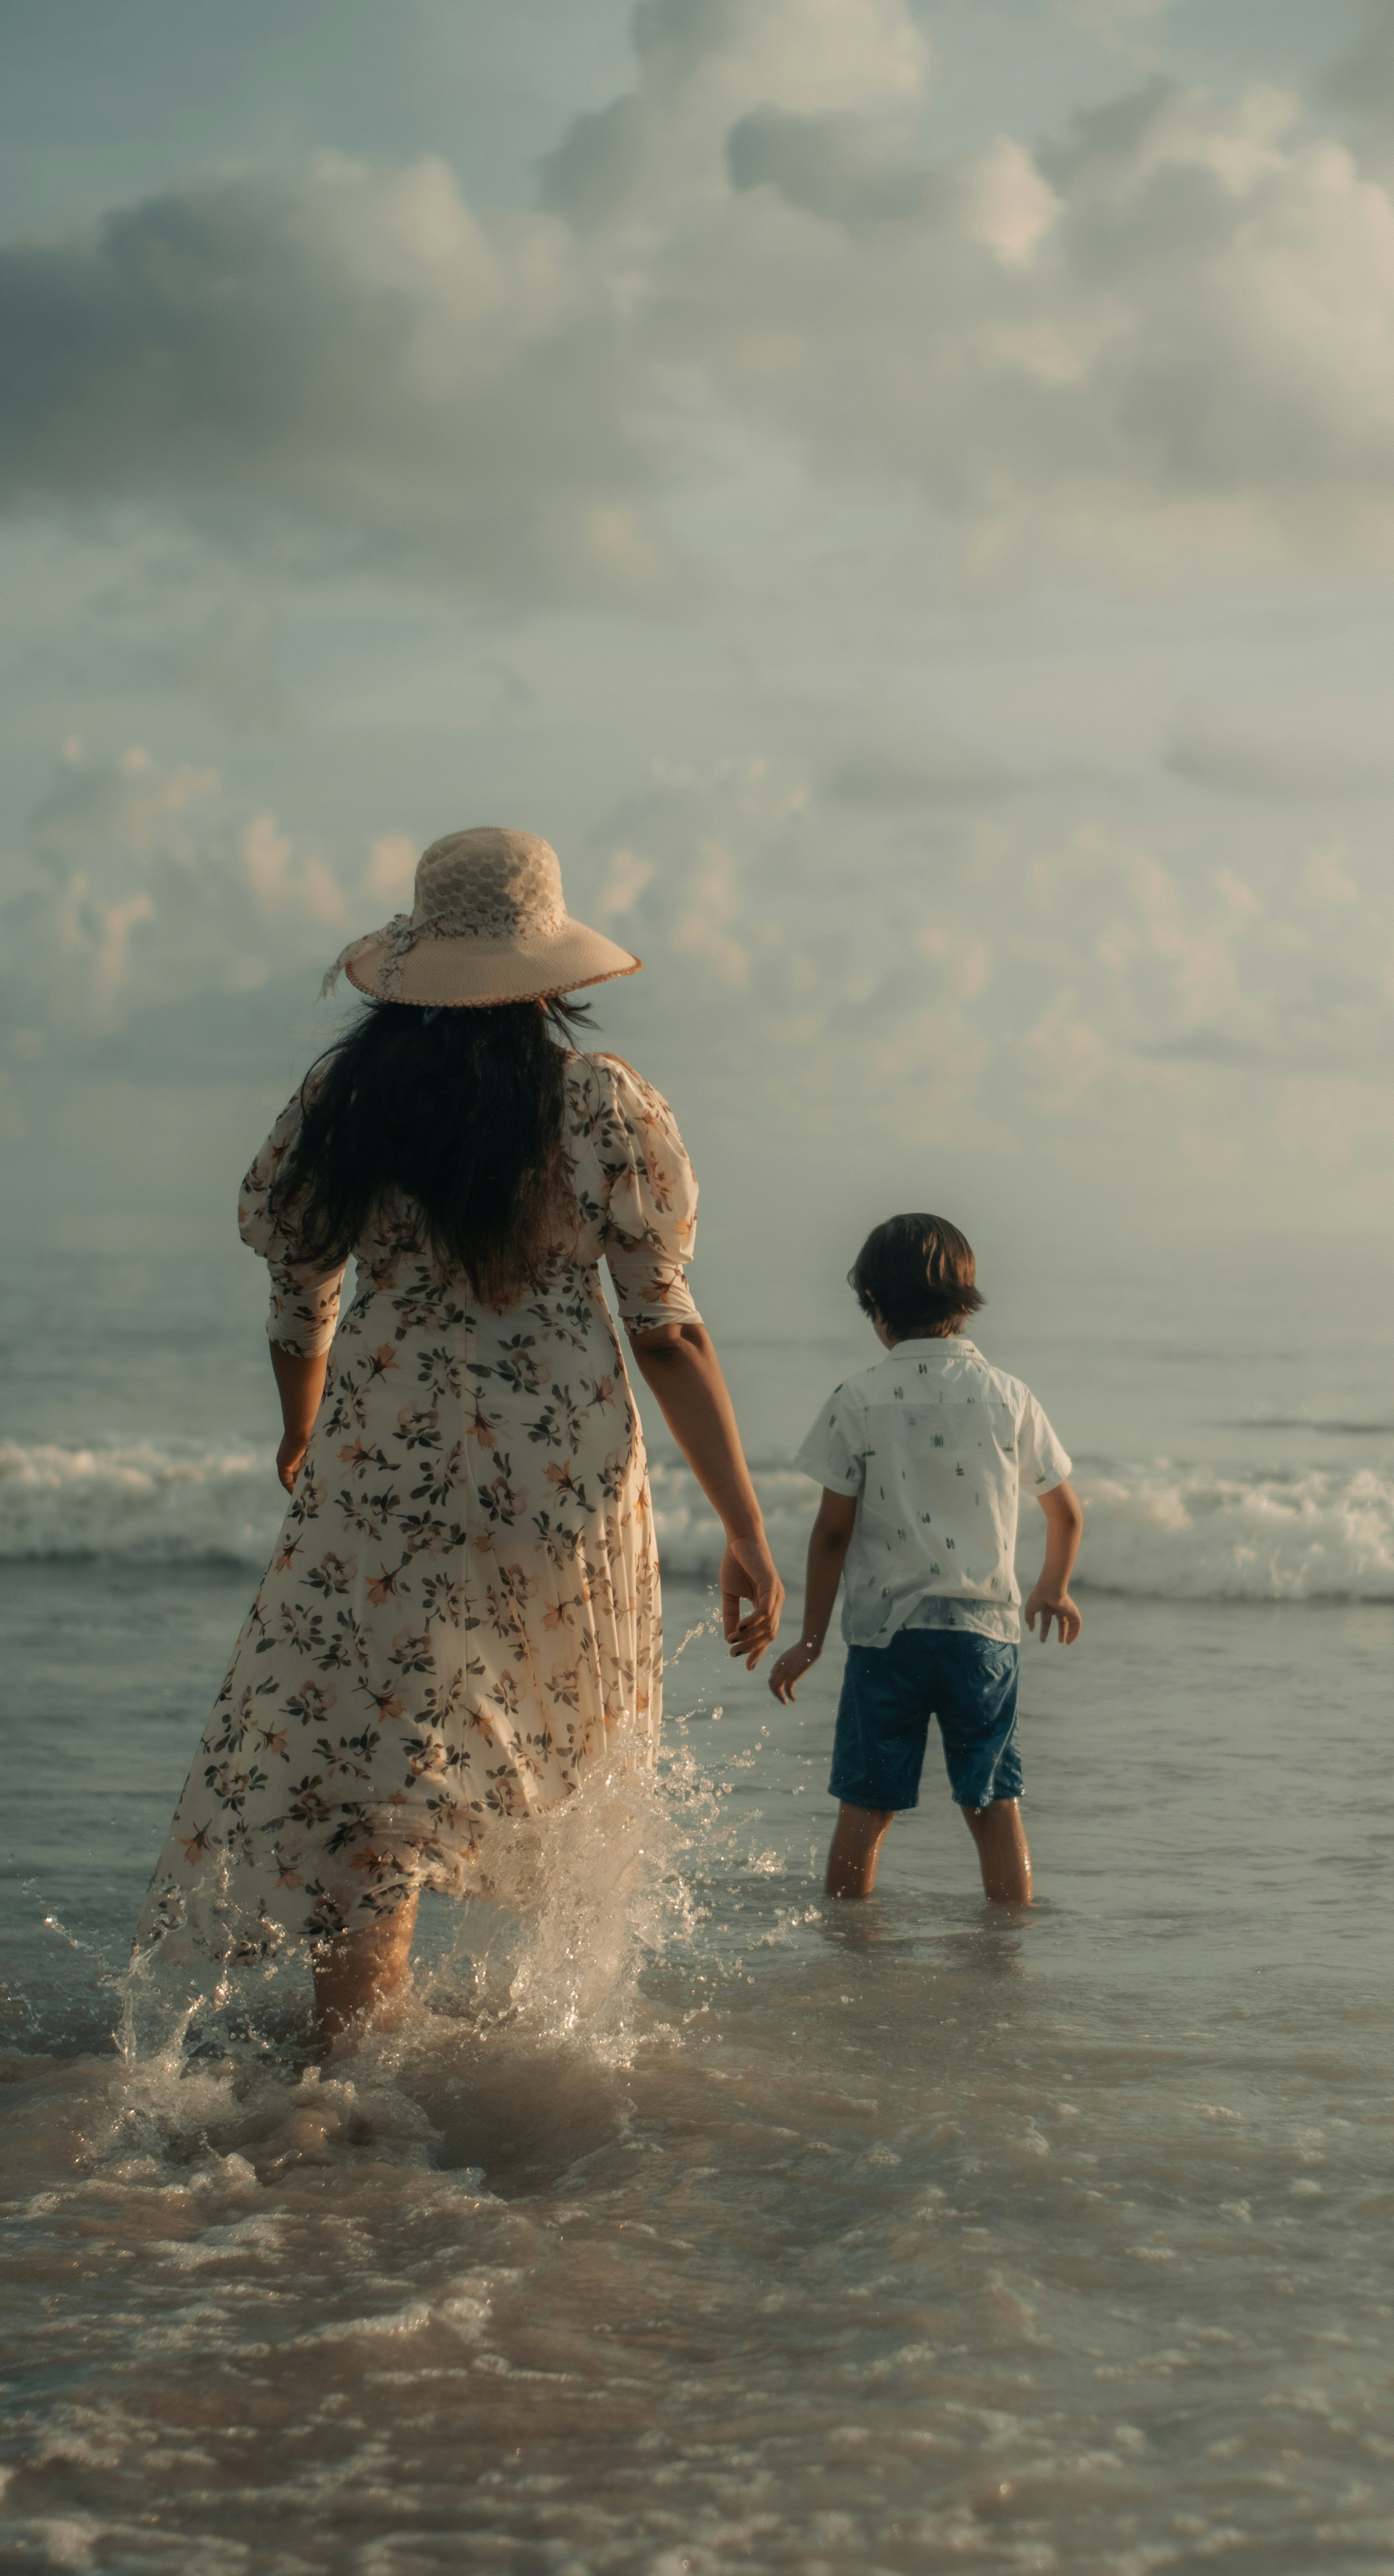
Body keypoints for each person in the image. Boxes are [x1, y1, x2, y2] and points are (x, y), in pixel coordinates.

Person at [136, 826, 782, 2045]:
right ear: (552, 972)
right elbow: (665, 1331)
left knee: (377, 1750)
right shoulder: (601, 1102)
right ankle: (558, 2058)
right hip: (559, 1481)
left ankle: (354, 2054)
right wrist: (746, 1526)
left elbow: (297, 1300)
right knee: (542, 1744)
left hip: (381, 1462)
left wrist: (302, 1432)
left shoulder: (349, 1100)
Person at [767, 1213, 1080, 1905]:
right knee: (993, 1804)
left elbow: (829, 1535)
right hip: (985, 1636)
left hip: (888, 1638)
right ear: (964, 1304)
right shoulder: (1010, 1396)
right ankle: (1008, 1949)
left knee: (867, 1807)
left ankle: (849, 1947)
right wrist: (1052, 1588)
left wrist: (812, 1639)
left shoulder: (858, 1399)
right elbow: (1067, 1514)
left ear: (876, 1309)